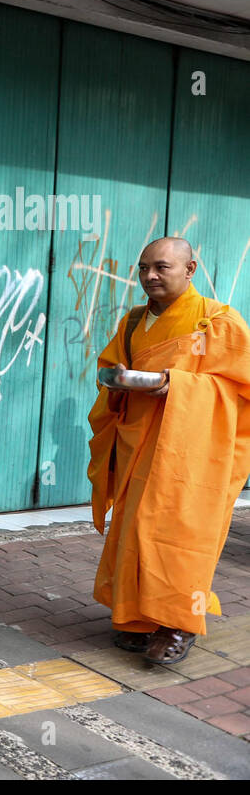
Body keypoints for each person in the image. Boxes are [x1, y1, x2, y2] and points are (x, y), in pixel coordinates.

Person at [87, 237, 250, 665]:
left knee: (182, 536)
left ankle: (180, 623)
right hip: (139, 444)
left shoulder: (216, 321)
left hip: (192, 455)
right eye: (143, 268)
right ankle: (140, 617)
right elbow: (109, 371)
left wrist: (173, 385)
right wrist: (118, 380)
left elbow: (240, 390)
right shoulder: (134, 320)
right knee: (137, 531)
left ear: (190, 269)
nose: (150, 276)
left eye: (161, 267)